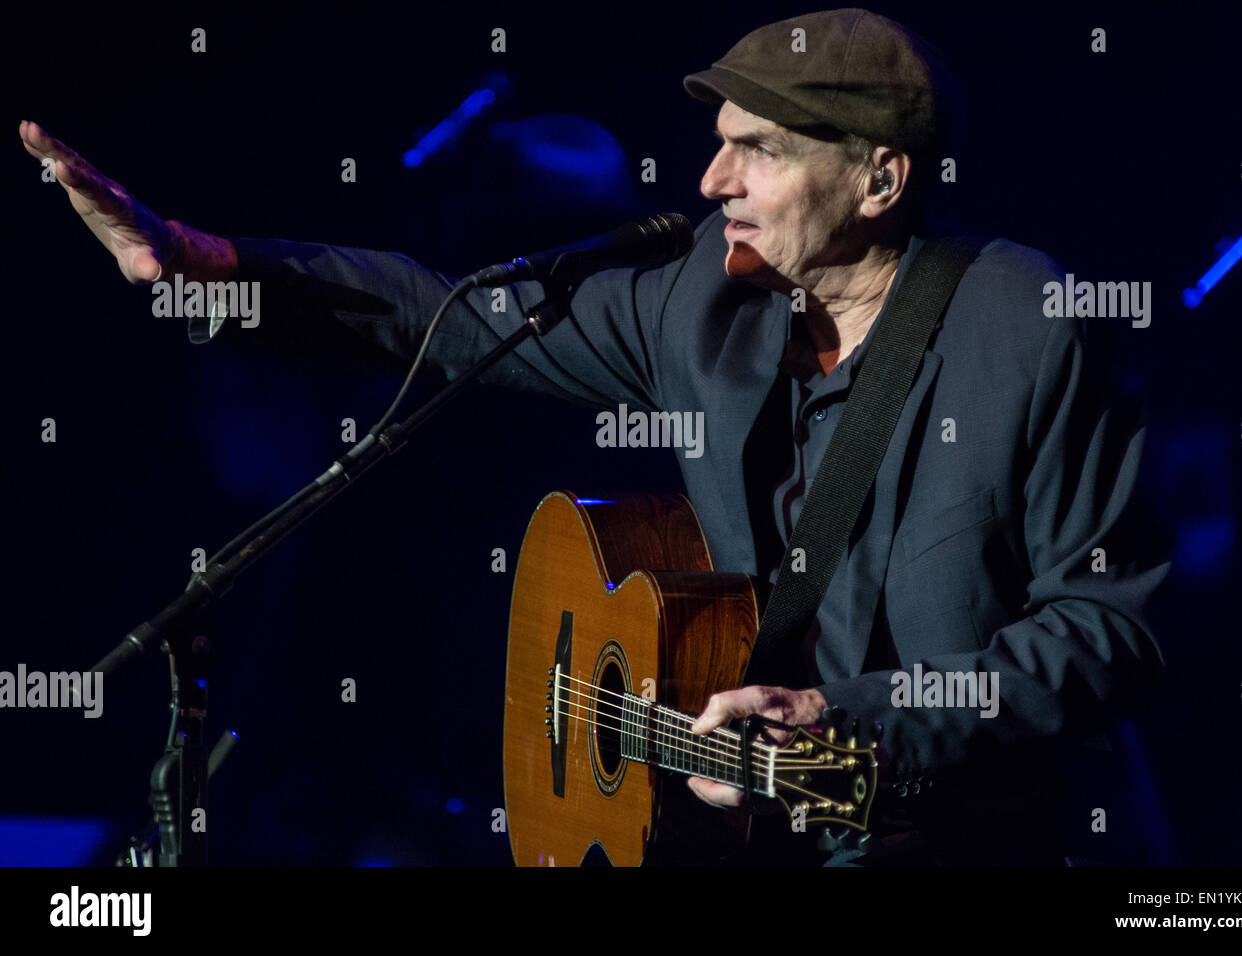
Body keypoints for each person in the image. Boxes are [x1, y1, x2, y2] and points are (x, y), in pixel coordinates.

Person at [19, 8, 1169, 866]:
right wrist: (205, 262)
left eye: (757, 148)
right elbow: (443, 319)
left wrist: (844, 712)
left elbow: (1109, 632)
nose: (713, 176)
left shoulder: (1026, 326)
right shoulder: (701, 307)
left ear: (879, 177)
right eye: (717, 141)